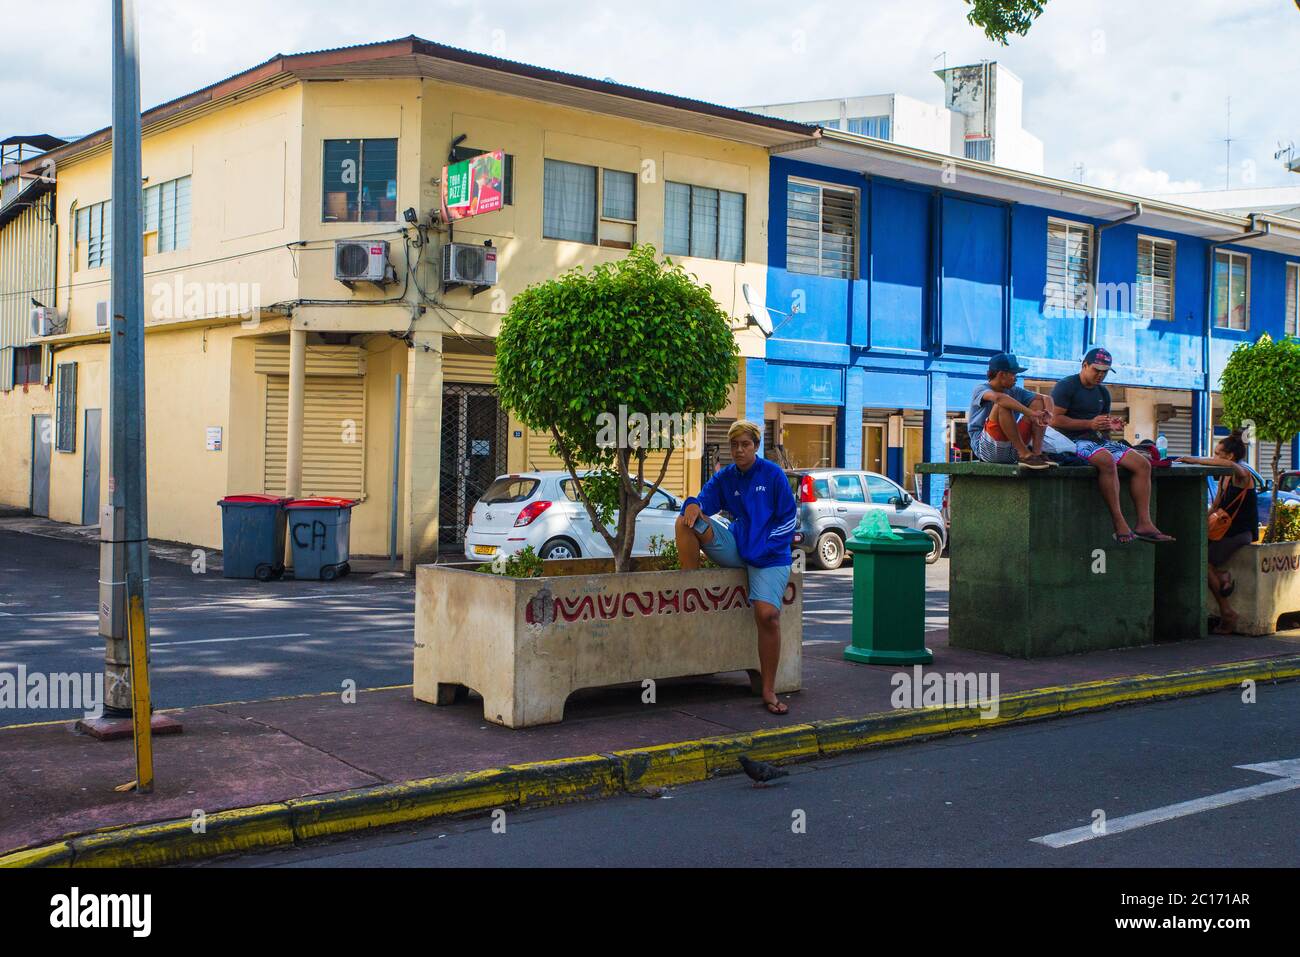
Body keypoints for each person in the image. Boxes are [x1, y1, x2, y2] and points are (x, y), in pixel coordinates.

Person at [675, 420, 797, 715]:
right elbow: (702, 502)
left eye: (745, 444)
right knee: (685, 521)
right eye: (734, 445)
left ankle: (768, 689)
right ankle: (688, 593)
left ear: (756, 446)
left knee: (767, 615)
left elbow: (790, 520)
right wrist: (691, 503)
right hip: (738, 546)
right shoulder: (726, 477)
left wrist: (763, 547)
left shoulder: (773, 475)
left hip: (770, 555)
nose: (739, 450)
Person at [1051, 347, 1174, 544]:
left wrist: (1110, 426)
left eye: (1105, 371)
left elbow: (1103, 430)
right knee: (1106, 460)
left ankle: (1144, 523)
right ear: (1084, 365)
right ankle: (1119, 522)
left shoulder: (1103, 392)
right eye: (1096, 369)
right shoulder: (1066, 386)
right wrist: (1089, 424)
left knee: (1143, 464)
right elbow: (1054, 420)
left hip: (1096, 440)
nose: (1101, 375)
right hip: (1069, 442)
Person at [1178, 432, 1256, 634]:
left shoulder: (1242, 474)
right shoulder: (1224, 477)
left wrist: (1192, 459)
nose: (1214, 457)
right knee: (1202, 560)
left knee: (1205, 564)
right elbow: (1217, 504)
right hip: (1223, 530)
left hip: (1238, 533)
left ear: (1230, 456)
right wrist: (1203, 518)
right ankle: (1223, 577)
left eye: (1218, 454)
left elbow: (1233, 467)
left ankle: (1227, 612)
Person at [968, 353, 1055, 469]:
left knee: (1037, 403)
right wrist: (1031, 413)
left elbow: (1046, 398)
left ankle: (1036, 454)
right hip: (987, 449)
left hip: (1013, 450)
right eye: (1013, 374)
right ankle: (1025, 454)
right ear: (1001, 374)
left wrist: (1048, 414)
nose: (1016, 378)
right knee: (1002, 404)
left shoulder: (1015, 391)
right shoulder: (981, 389)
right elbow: (1000, 399)